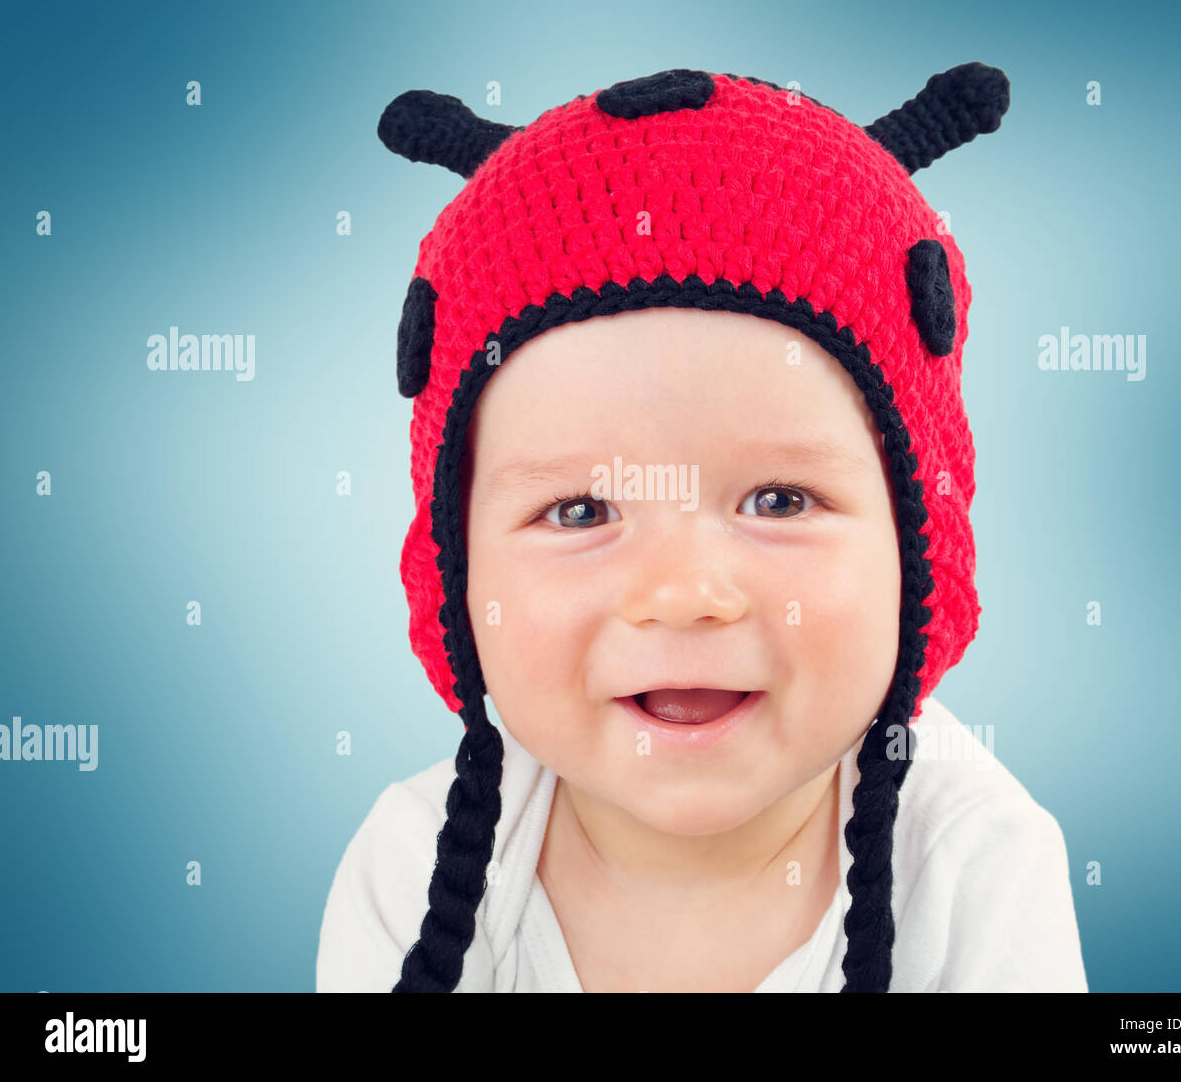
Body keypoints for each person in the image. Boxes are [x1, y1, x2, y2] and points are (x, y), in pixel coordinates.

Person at [316, 65, 1088, 992]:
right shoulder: (410, 875)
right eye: (580, 511)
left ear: (918, 552)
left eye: (778, 500)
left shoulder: (976, 873)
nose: (682, 593)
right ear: (455, 571)